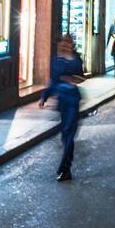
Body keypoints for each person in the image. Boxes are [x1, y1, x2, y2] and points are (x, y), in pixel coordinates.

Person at [39, 35, 86, 181]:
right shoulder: (56, 58)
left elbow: (81, 77)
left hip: (73, 99)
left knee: (69, 134)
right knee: (65, 135)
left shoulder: (76, 59)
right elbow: (53, 80)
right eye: (63, 42)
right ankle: (66, 167)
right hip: (62, 100)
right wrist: (45, 96)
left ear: (72, 45)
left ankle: (65, 168)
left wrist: (72, 79)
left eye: (68, 43)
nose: (65, 45)